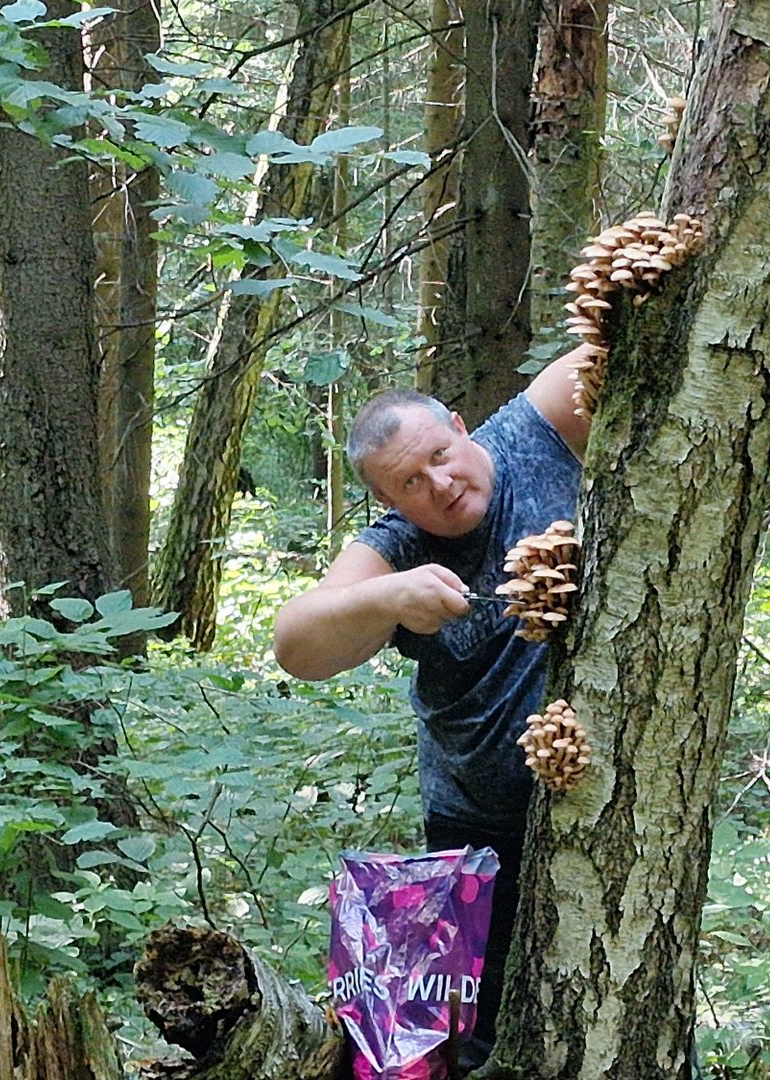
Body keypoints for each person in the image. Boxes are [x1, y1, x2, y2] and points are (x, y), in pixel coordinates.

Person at [273, 347, 593, 1072]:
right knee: (477, 1033)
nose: (440, 485)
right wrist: (390, 598)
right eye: (410, 483)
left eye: (442, 456)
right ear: (389, 500)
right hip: (476, 828)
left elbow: (612, 334)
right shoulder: (397, 547)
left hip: (597, 797)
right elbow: (297, 644)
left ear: (459, 426)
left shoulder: (529, 430)